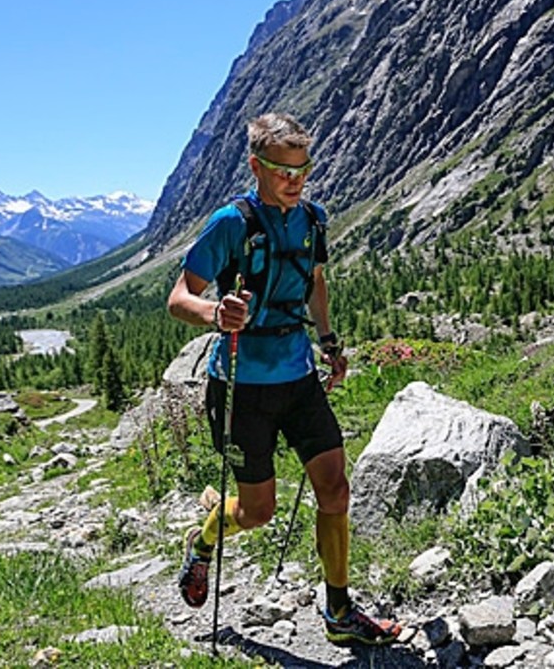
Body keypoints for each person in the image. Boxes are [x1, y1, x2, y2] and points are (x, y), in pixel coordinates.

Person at [166, 112, 400, 646]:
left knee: (335, 488)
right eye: (283, 171)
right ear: (256, 167)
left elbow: (315, 281)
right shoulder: (230, 223)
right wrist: (215, 314)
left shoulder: (313, 219)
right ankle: (203, 540)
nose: (296, 181)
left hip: (298, 375)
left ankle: (339, 613)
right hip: (241, 386)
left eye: (303, 170)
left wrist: (329, 341)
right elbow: (179, 298)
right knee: (258, 512)